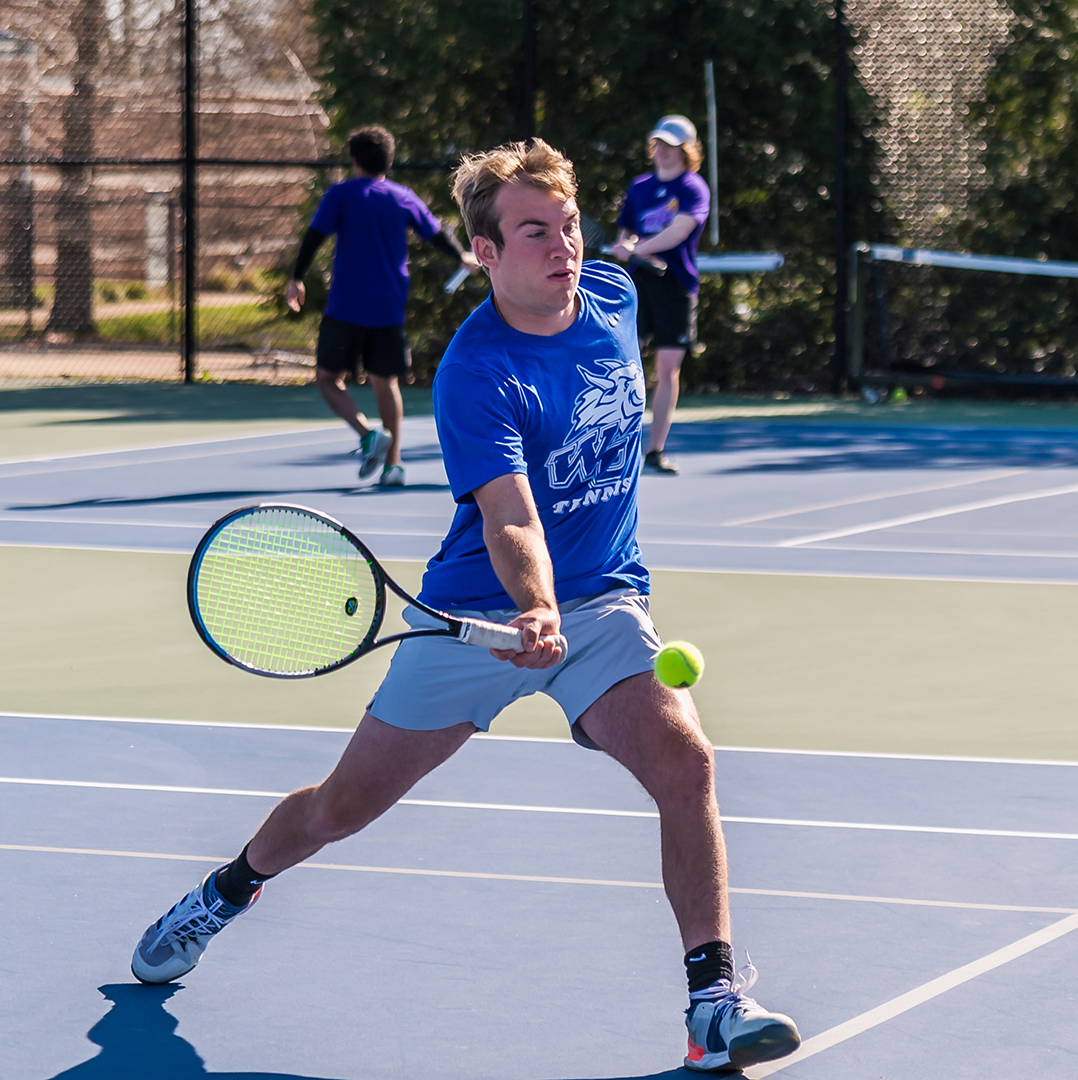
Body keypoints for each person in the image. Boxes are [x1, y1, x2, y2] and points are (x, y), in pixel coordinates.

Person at [131, 138, 802, 1075]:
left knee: (686, 760)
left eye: (568, 226)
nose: (561, 247)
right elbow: (511, 517)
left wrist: (566, 612)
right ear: (484, 252)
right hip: (476, 616)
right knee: (339, 810)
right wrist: (533, 608)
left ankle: (713, 1002)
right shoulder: (474, 373)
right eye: (534, 233)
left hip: (605, 602)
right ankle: (226, 890)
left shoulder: (615, 297)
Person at [284, 125, 479, 487]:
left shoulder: (341, 195)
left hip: (345, 305)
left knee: (327, 379)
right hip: (389, 305)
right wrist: (461, 256)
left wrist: (296, 278)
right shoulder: (402, 196)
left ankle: (366, 433)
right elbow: (436, 233)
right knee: (386, 382)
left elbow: (314, 235)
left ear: (355, 160)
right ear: (389, 160)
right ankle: (394, 465)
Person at [611, 115, 709, 476]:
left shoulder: (693, 188)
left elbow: (680, 230)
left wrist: (639, 248)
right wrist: (627, 246)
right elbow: (626, 233)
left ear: (686, 150)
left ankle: (654, 450)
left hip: (676, 285)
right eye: (658, 144)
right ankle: (614, 448)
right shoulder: (638, 187)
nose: (662, 151)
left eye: (670, 145)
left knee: (668, 369)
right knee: (623, 367)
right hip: (637, 287)